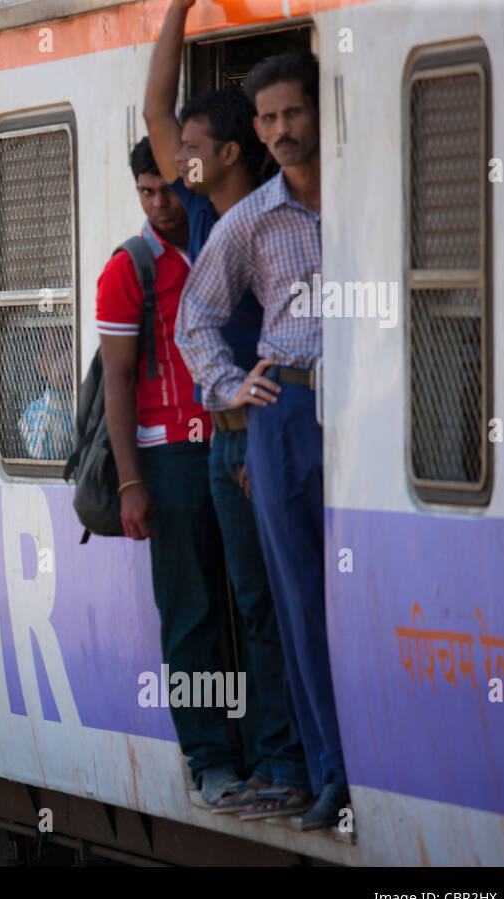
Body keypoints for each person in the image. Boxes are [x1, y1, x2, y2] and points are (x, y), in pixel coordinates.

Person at [145, 0, 310, 819]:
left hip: (259, 438)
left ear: (230, 153)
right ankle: (275, 759)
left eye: (196, 153)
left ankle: (286, 762)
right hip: (228, 439)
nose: (181, 163)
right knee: (250, 602)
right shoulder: (216, 215)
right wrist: (176, 11)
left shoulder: (253, 217)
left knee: (271, 602)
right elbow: (155, 110)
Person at [176, 50, 349, 831]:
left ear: (321, 110)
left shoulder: (363, 194)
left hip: (371, 414)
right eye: (269, 118)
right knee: (300, 601)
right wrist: (231, 389)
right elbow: (195, 319)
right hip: (285, 415)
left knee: (363, 596)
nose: (282, 130)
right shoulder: (251, 219)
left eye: (293, 114)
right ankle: (330, 776)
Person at [99, 138, 242, 806]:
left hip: (235, 445)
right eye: (146, 193)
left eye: (168, 191)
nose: (159, 205)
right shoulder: (129, 267)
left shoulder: (223, 240)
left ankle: (266, 750)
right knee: (191, 614)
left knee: (250, 603)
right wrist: (131, 482)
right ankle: (208, 756)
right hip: (169, 458)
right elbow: (118, 381)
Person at [18, 337, 73, 459]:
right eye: (60, 348)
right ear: (39, 364)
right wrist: (57, 376)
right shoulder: (31, 414)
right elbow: (43, 453)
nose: (66, 357)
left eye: (70, 347)